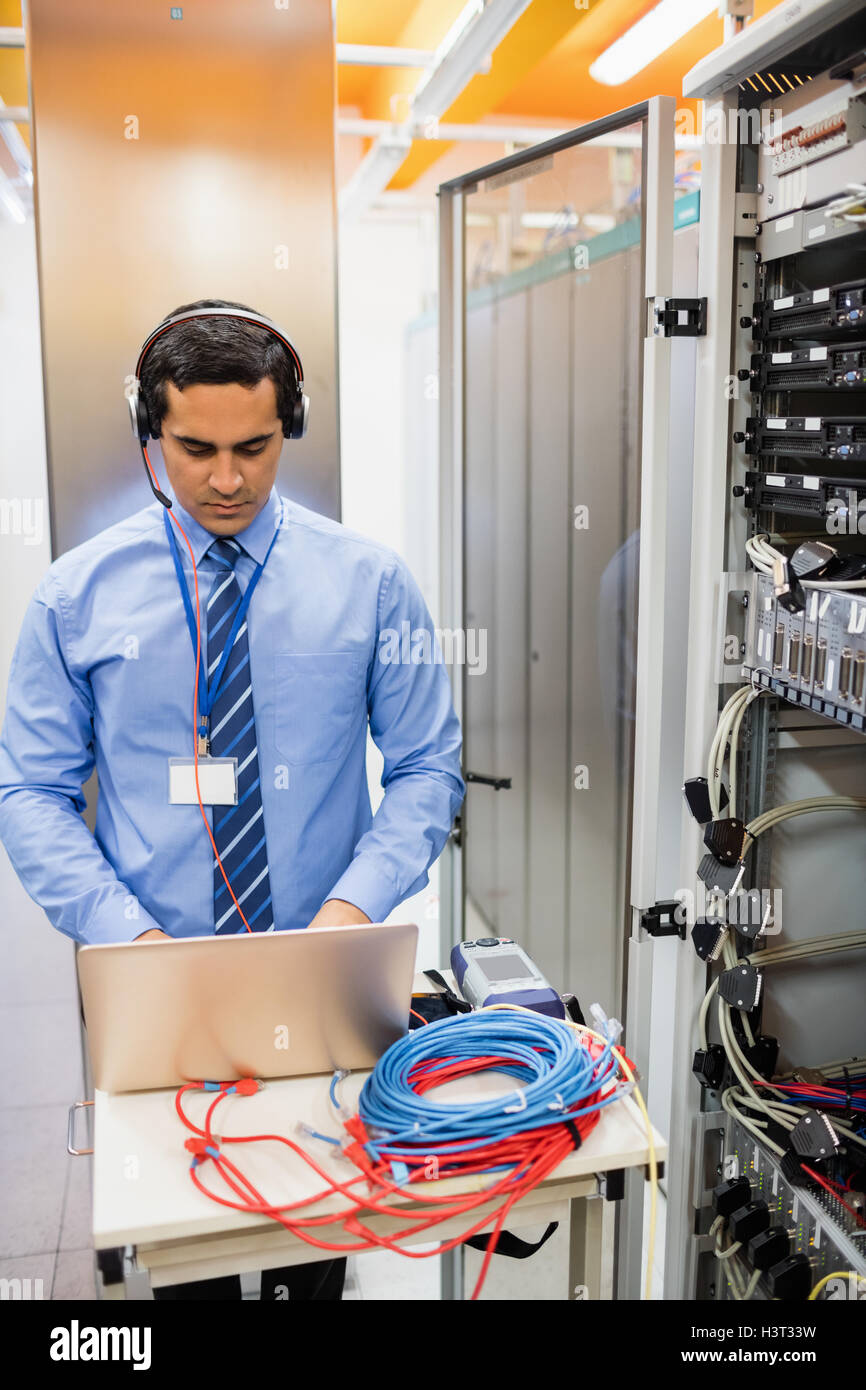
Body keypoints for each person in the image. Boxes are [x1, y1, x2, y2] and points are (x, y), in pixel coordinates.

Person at [0, 298, 465, 1299]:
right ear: (148, 434)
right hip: (150, 977)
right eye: (193, 448)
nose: (225, 479)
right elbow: (31, 792)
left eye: (254, 448)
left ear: (285, 428)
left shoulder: (372, 586)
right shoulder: (74, 599)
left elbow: (427, 767)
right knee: (183, 1249)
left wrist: (350, 909)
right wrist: (127, 937)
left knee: (313, 1235)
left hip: (319, 968)